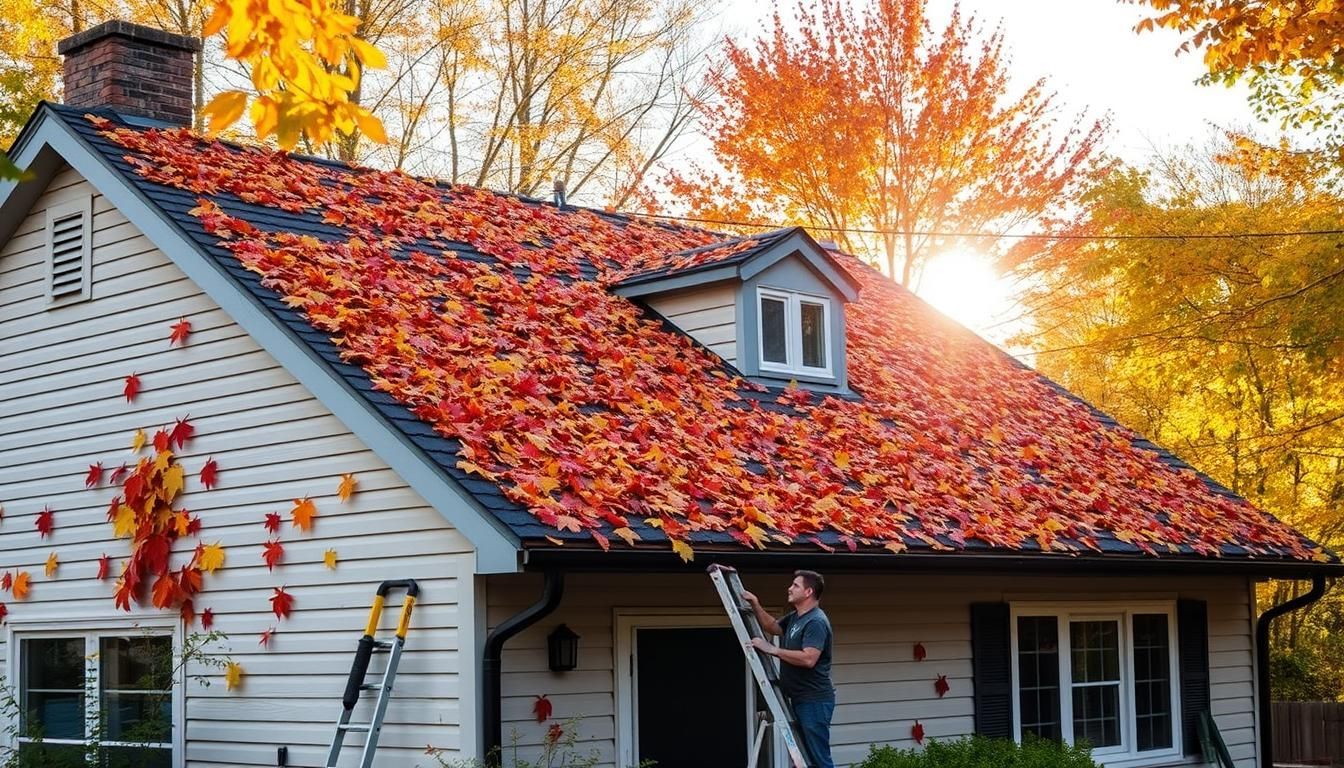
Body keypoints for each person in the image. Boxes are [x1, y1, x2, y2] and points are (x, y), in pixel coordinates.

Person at [740, 570, 835, 768]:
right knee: (801, 758)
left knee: (819, 759)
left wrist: (772, 649)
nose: (789, 589)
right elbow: (773, 627)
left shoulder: (816, 621)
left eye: (795, 586)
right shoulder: (796, 618)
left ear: (808, 592)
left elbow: (809, 659)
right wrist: (755, 605)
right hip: (799, 698)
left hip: (814, 700)